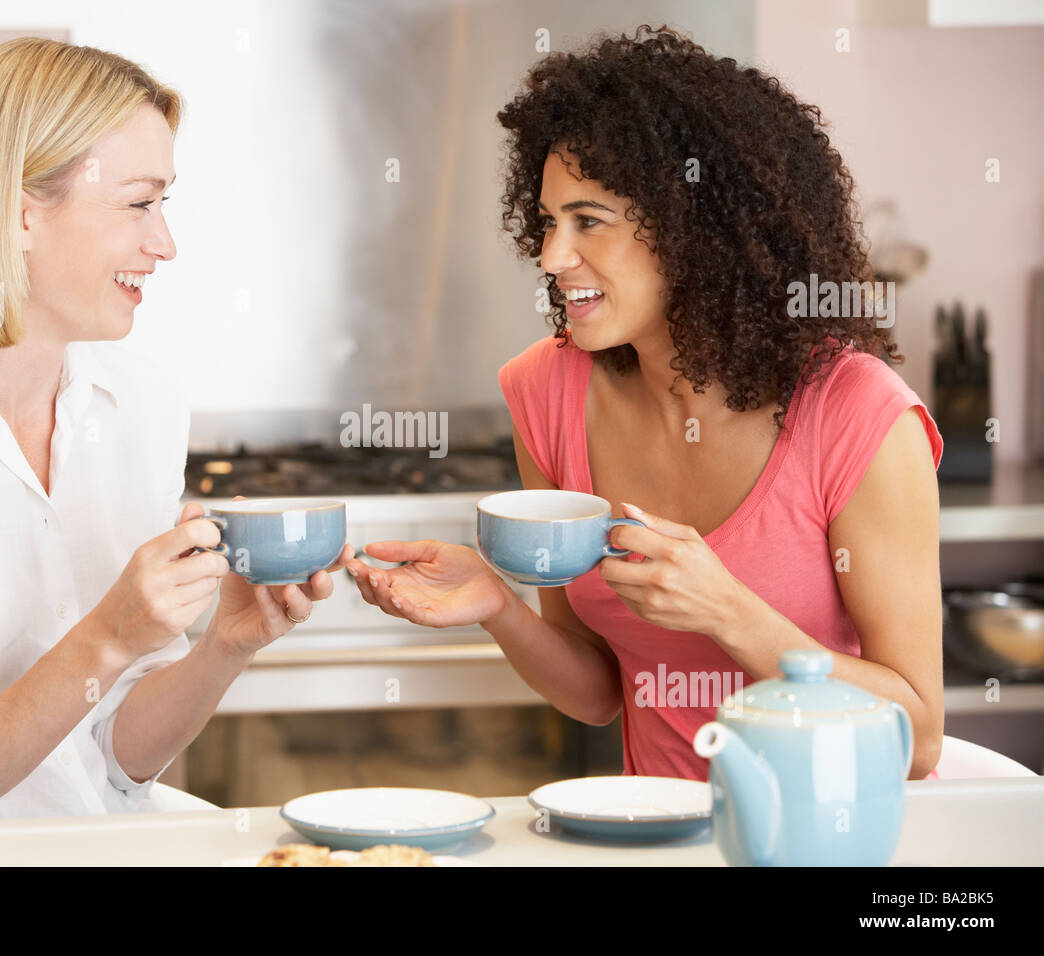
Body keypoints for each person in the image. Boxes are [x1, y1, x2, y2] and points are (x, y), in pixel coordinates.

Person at [0, 37, 352, 826]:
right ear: (20, 212)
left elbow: (116, 764)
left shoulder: (140, 405)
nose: (165, 243)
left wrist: (225, 647)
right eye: (139, 203)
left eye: (163, 204)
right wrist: (107, 635)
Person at [347, 26, 944, 781]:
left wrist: (728, 611)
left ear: (696, 230)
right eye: (548, 222)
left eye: (587, 221)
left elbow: (917, 738)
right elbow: (599, 691)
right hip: (653, 840)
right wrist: (497, 605)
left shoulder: (859, 416)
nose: (552, 257)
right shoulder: (546, 390)